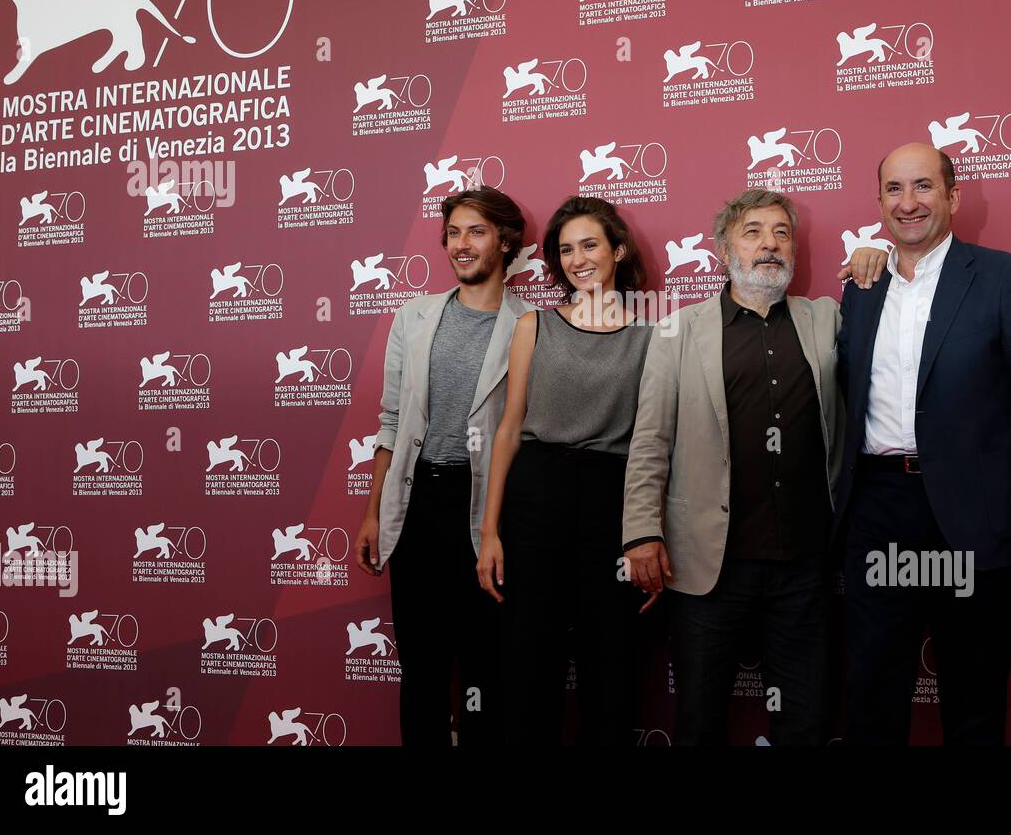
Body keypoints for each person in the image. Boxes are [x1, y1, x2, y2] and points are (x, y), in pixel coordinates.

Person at [622, 188, 887, 745]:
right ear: (724, 250)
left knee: (805, 722)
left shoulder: (827, 318)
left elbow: (896, 331)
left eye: (781, 233)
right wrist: (642, 532)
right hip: (707, 564)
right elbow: (650, 441)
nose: (770, 244)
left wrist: (877, 262)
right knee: (699, 721)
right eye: (753, 232)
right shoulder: (678, 331)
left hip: (804, 565)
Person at [835, 143, 1011, 745]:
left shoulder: (1003, 278)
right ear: (879, 202)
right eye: (894, 189)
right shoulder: (862, 286)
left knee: (974, 702)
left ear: (953, 196)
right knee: (871, 697)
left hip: (974, 514)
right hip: (879, 512)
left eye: (923, 186)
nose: (908, 203)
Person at [353, 186, 536, 747]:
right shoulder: (413, 317)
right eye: (453, 233)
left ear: (505, 242)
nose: (462, 244)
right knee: (421, 666)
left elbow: (524, 431)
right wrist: (373, 511)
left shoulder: (531, 326)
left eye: (476, 231)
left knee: (486, 664)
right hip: (417, 505)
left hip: (489, 512)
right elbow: (390, 420)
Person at [477, 196, 653, 745]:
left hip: (612, 500)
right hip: (536, 497)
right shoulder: (533, 326)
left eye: (590, 245)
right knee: (529, 659)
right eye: (566, 249)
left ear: (618, 251)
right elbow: (509, 428)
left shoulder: (653, 335)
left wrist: (651, 534)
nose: (578, 259)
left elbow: (656, 445)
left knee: (611, 660)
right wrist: (489, 530)